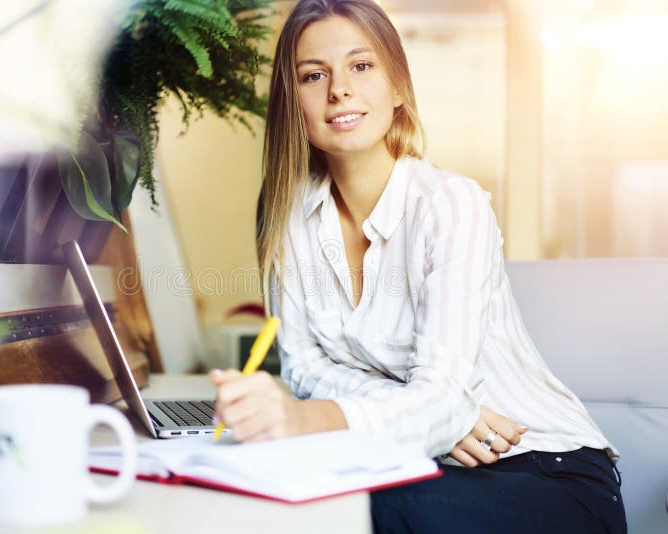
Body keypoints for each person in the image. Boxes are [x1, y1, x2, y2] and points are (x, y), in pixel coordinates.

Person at [209, 1, 626, 532]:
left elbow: (440, 391)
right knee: (276, 491)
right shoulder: (289, 218)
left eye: (361, 66)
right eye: (314, 76)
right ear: (294, 104)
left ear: (398, 87)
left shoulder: (451, 204)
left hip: (546, 473)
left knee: (358, 510)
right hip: (428, 462)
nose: (339, 89)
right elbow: (304, 369)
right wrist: (440, 415)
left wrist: (304, 419)